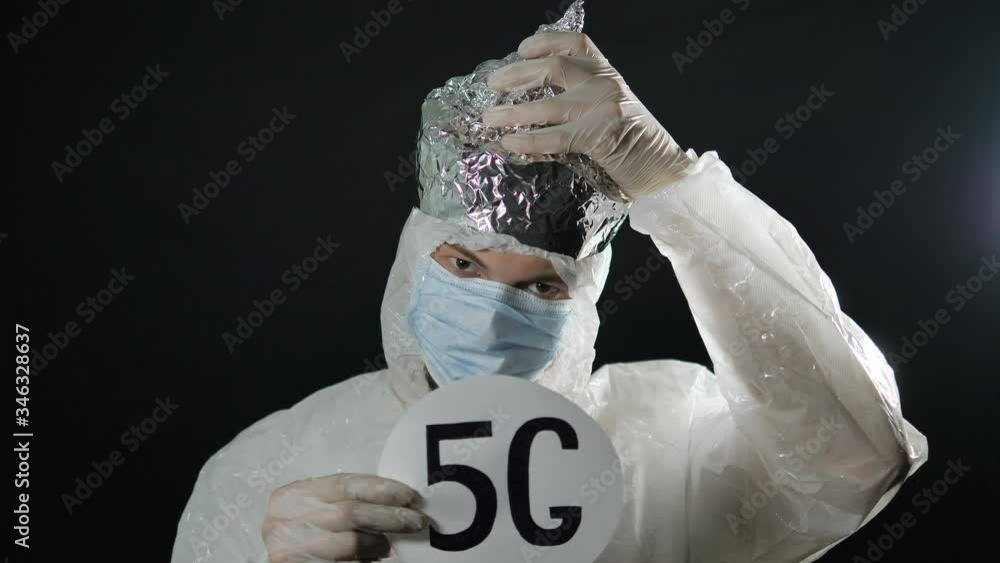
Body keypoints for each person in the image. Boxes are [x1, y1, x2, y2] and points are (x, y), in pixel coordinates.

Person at [172, 27, 927, 563]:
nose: (496, 313)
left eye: (540, 284)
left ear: (586, 295)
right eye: (464, 265)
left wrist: (675, 189)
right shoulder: (272, 470)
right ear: (413, 259)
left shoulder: (672, 438)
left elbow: (854, 460)